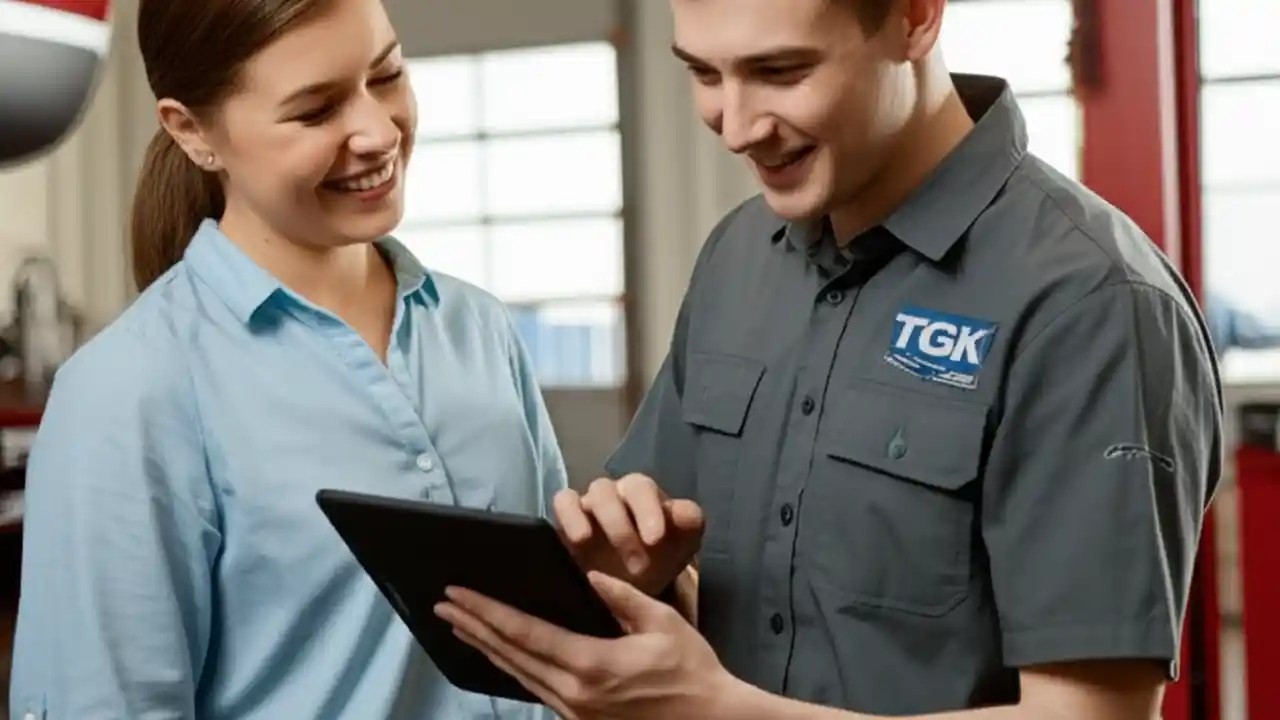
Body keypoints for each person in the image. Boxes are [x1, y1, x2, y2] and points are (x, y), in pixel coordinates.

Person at [434, 0, 1224, 718]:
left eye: (781, 72)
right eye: (704, 74)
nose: (736, 125)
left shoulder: (1090, 302)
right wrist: (628, 574)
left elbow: (1090, 717)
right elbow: (690, 566)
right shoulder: (739, 255)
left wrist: (713, 712)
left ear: (915, 18)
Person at [9, 0, 563, 718]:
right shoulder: (129, 392)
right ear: (192, 131)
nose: (377, 129)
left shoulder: (478, 329)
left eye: (387, 74)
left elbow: (563, 641)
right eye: (314, 111)